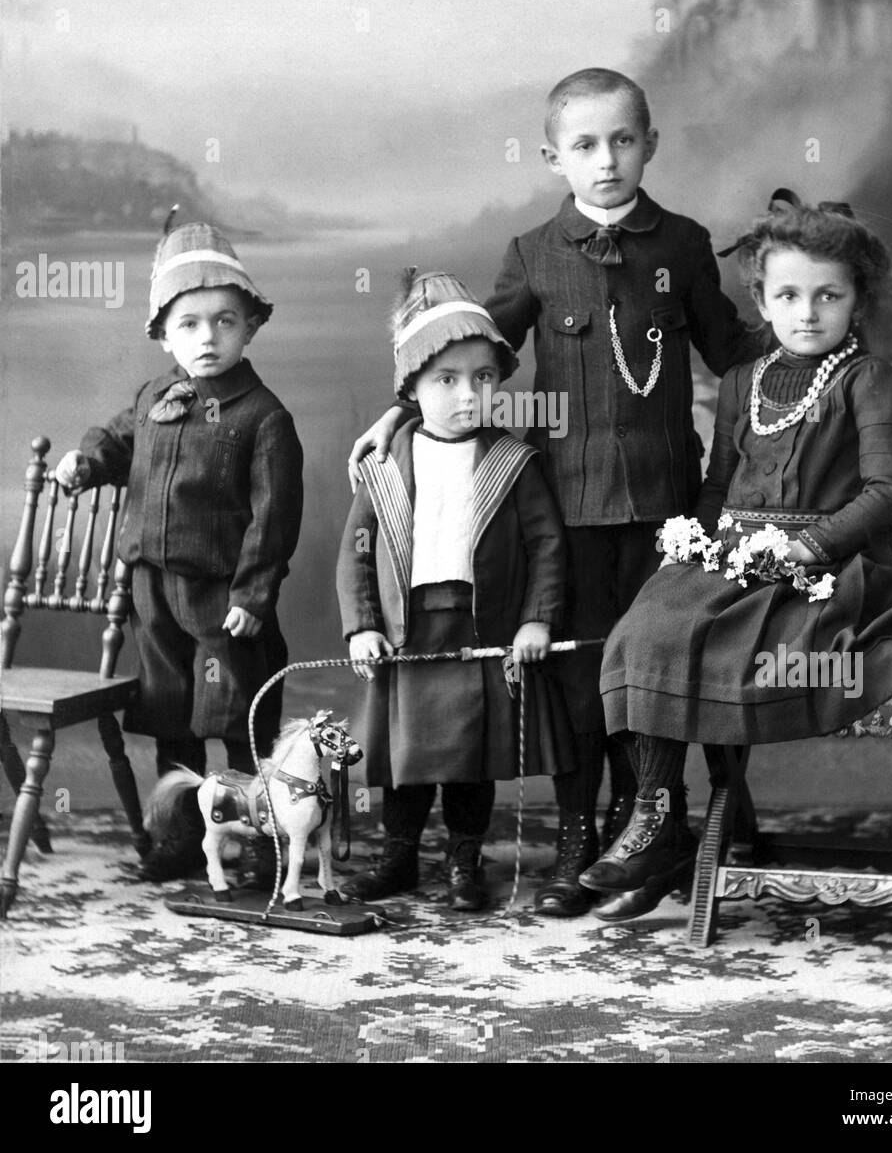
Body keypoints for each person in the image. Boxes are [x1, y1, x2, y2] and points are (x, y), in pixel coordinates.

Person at [347, 68, 756, 919]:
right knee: (575, 678)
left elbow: (732, 353)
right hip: (566, 507)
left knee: (655, 662)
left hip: (668, 509)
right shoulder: (532, 254)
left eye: (621, 141)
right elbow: (463, 347)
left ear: (649, 145)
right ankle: (578, 841)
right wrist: (396, 416)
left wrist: (813, 358)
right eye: (583, 146)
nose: (604, 162)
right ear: (551, 157)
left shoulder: (681, 244)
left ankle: (646, 821)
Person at [582, 191, 892, 898]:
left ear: (855, 302)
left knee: (731, 640)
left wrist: (809, 549)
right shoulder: (742, 380)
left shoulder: (869, 381)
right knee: (644, 628)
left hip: (825, 571)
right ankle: (656, 816)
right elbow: (717, 484)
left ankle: (687, 818)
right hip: (736, 558)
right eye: (788, 295)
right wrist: (695, 550)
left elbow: (884, 492)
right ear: (762, 302)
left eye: (827, 295)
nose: (807, 312)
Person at [55, 217, 303, 883]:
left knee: (237, 717)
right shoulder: (153, 397)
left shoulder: (263, 417)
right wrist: (86, 460)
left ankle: (257, 840)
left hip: (222, 597)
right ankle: (181, 836)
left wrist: (254, 596)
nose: (208, 337)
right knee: (173, 715)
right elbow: (117, 438)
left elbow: (273, 520)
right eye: (189, 324)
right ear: (163, 334)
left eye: (225, 321)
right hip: (153, 591)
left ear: (250, 327)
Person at [337, 270, 572, 912]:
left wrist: (536, 621)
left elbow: (547, 546)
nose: (469, 395)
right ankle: (398, 858)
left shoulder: (512, 461)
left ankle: (464, 861)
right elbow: (356, 553)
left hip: (478, 632)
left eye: (484, 378)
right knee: (407, 759)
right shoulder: (385, 464)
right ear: (410, 388)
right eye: (446, 380)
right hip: (408, 632)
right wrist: (362, 624)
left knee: (470, 759)